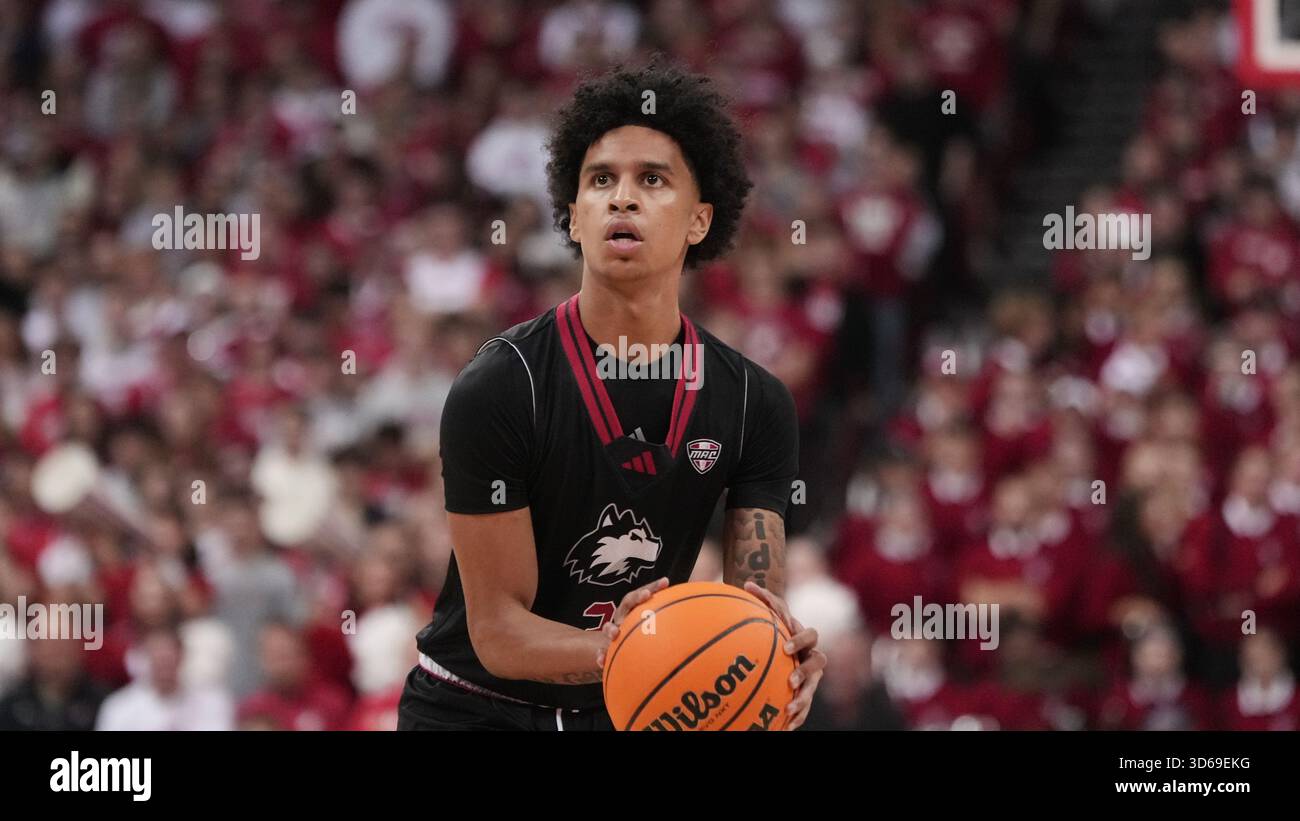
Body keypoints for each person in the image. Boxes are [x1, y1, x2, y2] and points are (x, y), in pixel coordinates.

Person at [398, 59, 825, 731]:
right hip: (471, 708)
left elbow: (755, 610)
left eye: (652, 179)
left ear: (699, 219)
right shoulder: (504, 384)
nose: (621, 198)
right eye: (601, 181)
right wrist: (627, 649)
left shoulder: (753, 402)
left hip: (627, 707)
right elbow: (499, 631)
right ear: (573, 216)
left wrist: (781, 661)